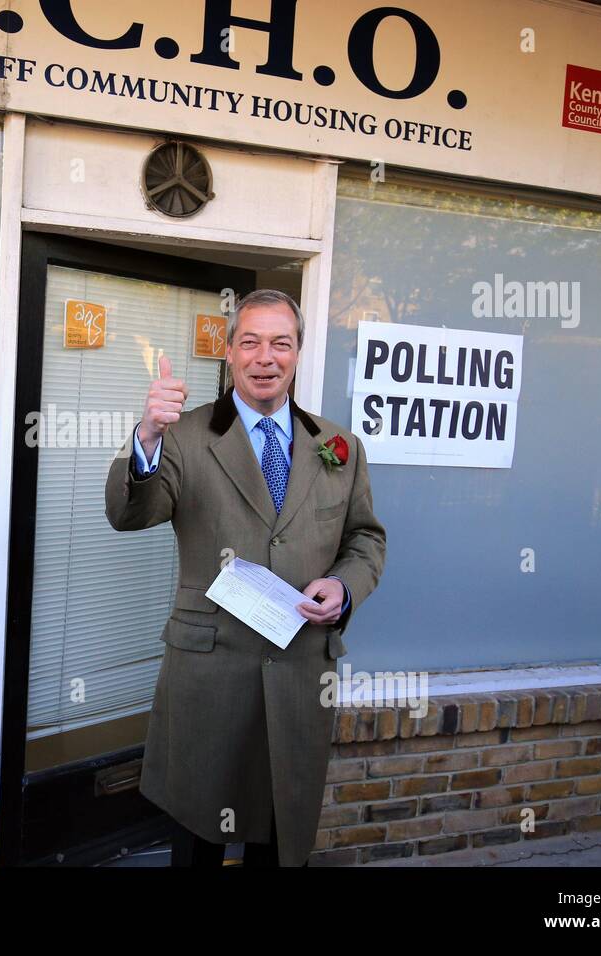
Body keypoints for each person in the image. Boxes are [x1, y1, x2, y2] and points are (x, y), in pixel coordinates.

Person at [104, 289, 386, 867]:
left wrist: (344, 586)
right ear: (229, 353)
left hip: (301, 673)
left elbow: (365, 539)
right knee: (199, 841)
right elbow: (130, 515)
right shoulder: (184, 435)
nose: (266, 356)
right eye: (250, 342)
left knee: (280, 837)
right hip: (210, 675)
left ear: (298, 353)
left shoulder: (338, 445)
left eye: (280, 343)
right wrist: (148, 439)